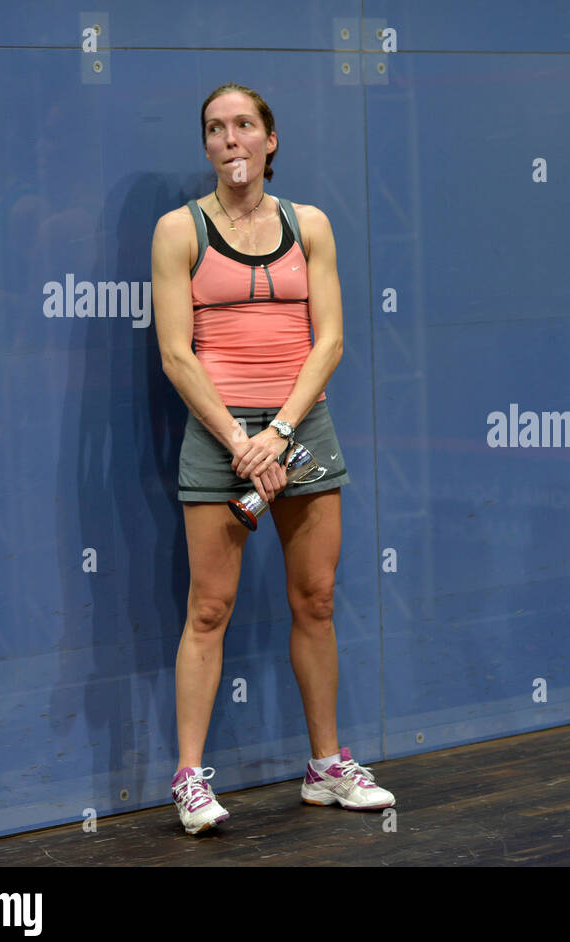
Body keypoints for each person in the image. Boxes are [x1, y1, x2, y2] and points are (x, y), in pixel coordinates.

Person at [151, 82, 393, 835]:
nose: (232, 140)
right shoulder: (176, 231)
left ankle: (326, 768)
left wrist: (280, 434)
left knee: (315, 601)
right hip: (220, 434)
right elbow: (175, 354)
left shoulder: (310, 224)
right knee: (210, 608)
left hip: (300, 431)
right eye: (216, 129)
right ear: (207, 146)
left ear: (270, 140)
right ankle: (189, 779)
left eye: (245, 126)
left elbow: (331, 341)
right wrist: (240, 442)